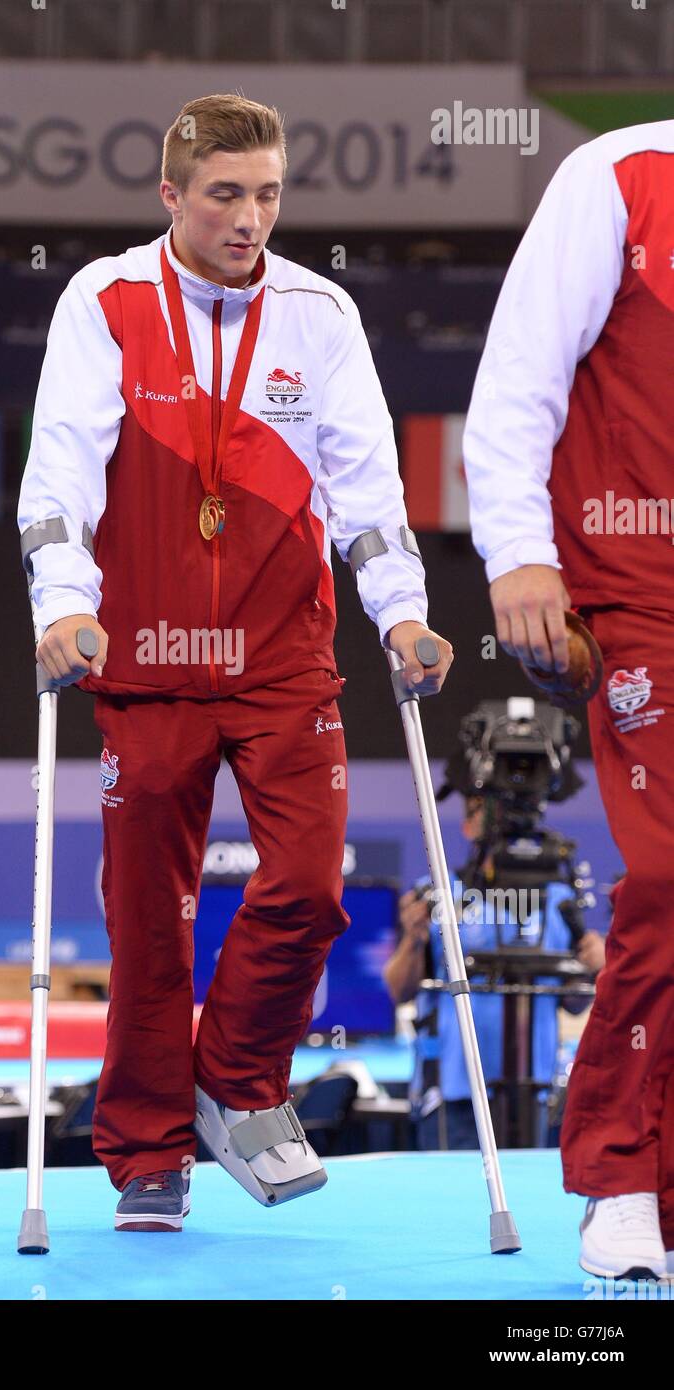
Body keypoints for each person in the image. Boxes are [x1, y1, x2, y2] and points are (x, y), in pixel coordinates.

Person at [18, 93, 453, 1232]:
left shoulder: (320, 314)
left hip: (282, 659)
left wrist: (401, 614)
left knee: (308, 889)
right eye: (225, 194)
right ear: (171, 196)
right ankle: (147, 1153)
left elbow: (365, 489)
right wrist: (62, 605)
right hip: (148, 659)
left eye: (267, 193)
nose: (250, 216)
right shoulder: (105, 301)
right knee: (148, 922)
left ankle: (235, 1083)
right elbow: (58, 471)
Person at [463, 119, 674, 1279]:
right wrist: (516, 555)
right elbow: (518, 378)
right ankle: (619, 1172)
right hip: (642, 589)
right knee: (670, 873)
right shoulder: (619, 176)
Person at [384, 793, 605, 1151]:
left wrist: (594, 968)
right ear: (467, 825)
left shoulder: (558, 900)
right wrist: (413, 938)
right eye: (482, 810)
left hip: (534, 1093)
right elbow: (399, 990)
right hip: (454, 1095)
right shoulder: (441, 896)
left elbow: (574, 1004)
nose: (496, 820)